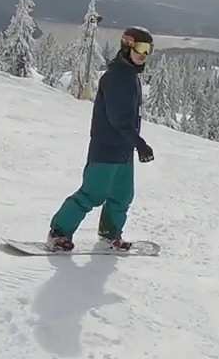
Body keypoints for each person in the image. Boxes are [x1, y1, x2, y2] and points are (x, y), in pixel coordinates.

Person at [45, 26, 156, 251]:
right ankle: (58, 232)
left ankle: (110, 234)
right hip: (106, 149)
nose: (144, 54)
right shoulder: (115, 77)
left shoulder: (131, 76)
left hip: (123, 152)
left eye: (149, 49)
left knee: (122, 196)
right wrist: (140, 144)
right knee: (92, 194)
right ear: (127, 46)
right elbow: (119, 119)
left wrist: (133, 145)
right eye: (141, 48)